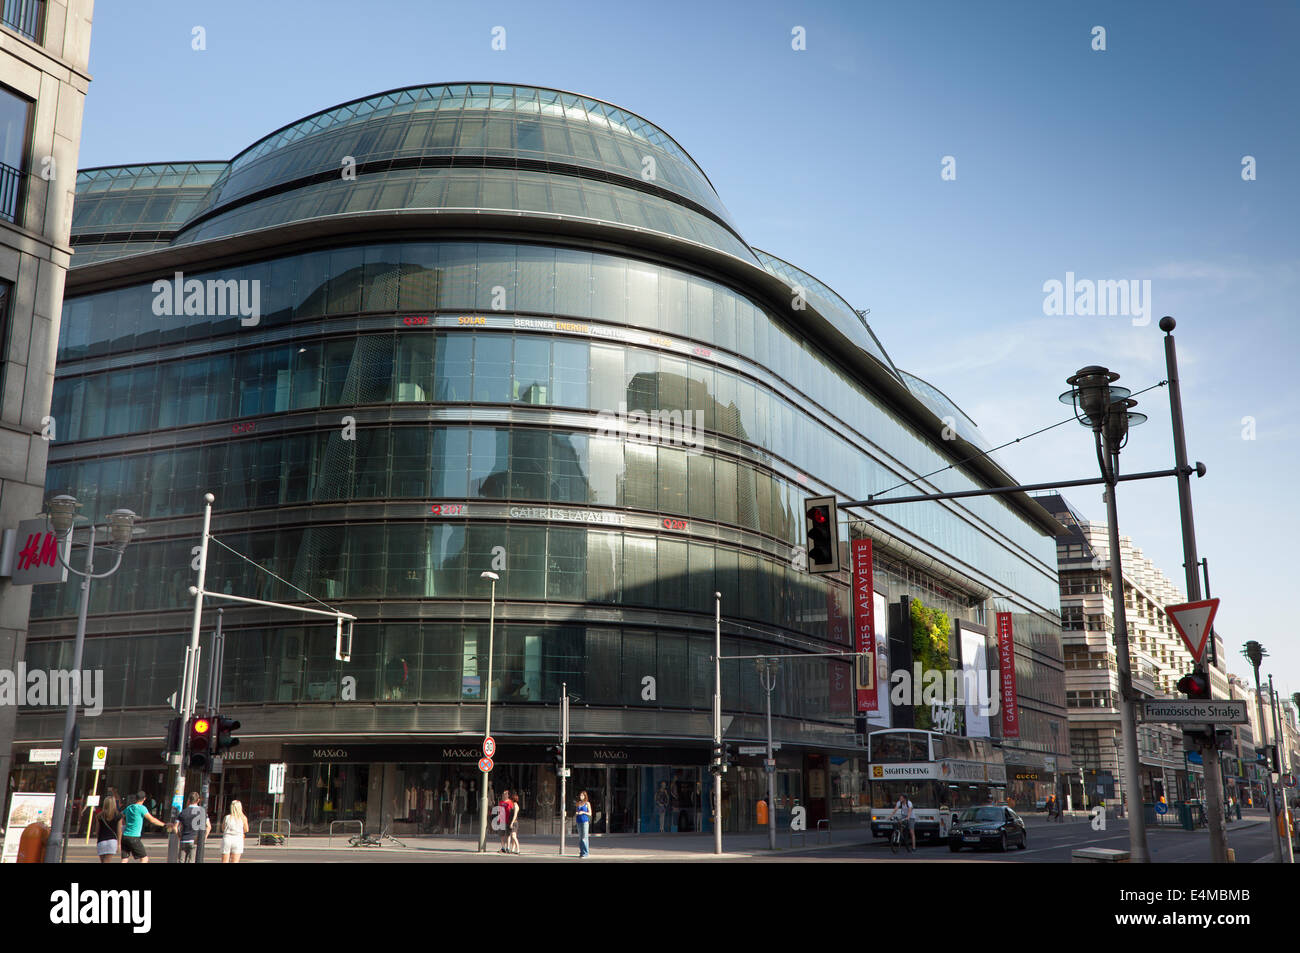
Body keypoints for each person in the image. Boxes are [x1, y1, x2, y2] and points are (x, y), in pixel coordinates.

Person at [120, 792, 166, 862]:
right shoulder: (142, 808)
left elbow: (120, 816)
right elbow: (152, 820)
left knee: (124, 859)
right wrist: (164, 825)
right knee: (144, 858)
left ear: (136, 798)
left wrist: (123, 824)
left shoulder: (129, 807)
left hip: (125, 836)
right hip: (134, 837)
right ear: (144, 799)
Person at [173, 792, 211, 863]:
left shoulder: (182, 812)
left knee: (181, 860)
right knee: (192, 860)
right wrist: (203, 838)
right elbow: (208, 826)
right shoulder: (202, 812)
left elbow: (175, 827)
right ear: (198, 800)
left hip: (184, 840)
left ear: (188, 800)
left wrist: (179, 836)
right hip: (195, 840)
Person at [94, 795, 122, 864]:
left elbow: (97, 831)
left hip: (101, 841)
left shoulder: (99, 816)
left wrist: (98, 839)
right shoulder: (118, 815)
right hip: (112, 841)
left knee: (103, 861)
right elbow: (119, 831)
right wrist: (119, 844)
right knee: (107, 861)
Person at [575, 791, 592, 858]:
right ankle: (581, 852)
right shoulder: (578, 803)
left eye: (582, 795)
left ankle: (586, 853)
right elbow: (576, 811)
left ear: (585, 796)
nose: (581, 797)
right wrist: (577, 813)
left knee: (584, 837)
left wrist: (583, 812)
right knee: (580, 838)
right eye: (580, 795)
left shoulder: (587, 803)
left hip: (585, 821)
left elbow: (590, 813)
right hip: (579, 821)